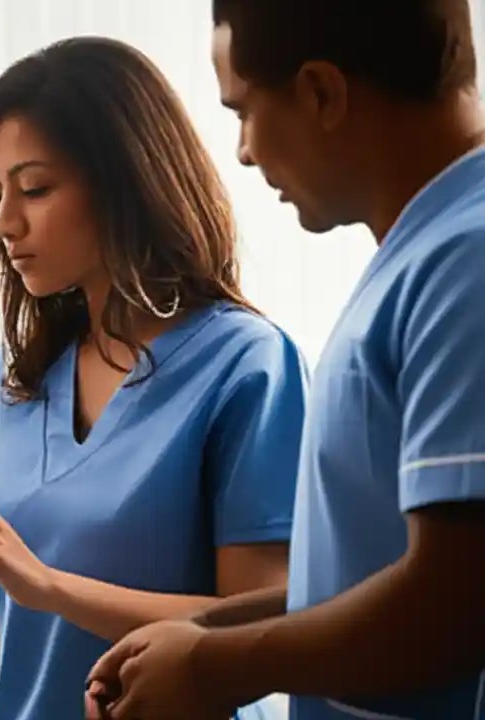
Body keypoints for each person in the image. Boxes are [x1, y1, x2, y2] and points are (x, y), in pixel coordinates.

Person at [85, 1, 485, 718]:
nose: (243, 150)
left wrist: (215, 665)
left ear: (322, 93)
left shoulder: (469, 260)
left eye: (244, 112)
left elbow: (455, 602)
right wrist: (205, 628)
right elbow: (377, 570)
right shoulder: (426, 252)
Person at [0, 36, 308, 720]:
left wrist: (50, 586)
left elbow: (259, 627)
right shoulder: (13, 381)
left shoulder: (247, 366)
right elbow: (1, 614)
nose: (7, 224)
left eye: (35, 188)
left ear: (127, 179)